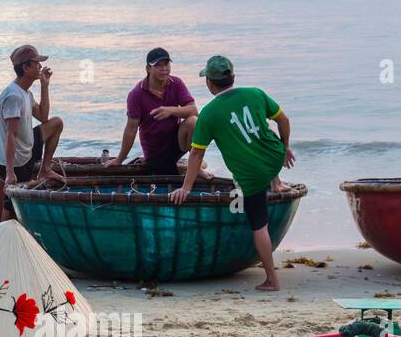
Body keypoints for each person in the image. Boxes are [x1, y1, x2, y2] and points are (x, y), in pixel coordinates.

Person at [168, 55, 294, 291]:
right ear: (233, 77)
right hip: (275, 157)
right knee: (264, 128)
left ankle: (271, 280)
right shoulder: (256, 93)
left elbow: (196, 155)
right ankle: (276, 183)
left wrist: (186, 188)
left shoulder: (209, 114)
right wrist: (285, 147)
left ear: (209, 83)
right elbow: (283, 120)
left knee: (260, 226)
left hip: (252, 176)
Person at [0, 44, 65, 220]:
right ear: (26, 68)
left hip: (28, 147)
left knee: (56, 123)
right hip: (16, 159)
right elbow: (10, 136)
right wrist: (10, 172)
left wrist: (45, 85)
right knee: (11, 204)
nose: (40, 67)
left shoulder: (26, 93)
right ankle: (2, 237)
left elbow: (44, 116)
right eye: (37, 64)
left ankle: (45, 169)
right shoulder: (13, 96)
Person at [104, 47, 198, 175]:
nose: (164, 68)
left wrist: (170, 110)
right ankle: (185, 168)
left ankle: (196, 167)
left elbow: (194, 110)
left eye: (166, 64)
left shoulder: (176, 83)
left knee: (193, 121)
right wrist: (120, 159)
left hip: (177, 142)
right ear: (148, 69)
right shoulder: (136, 94)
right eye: (158, 65)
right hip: (156, 152)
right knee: (167, 171)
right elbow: (131, 129)